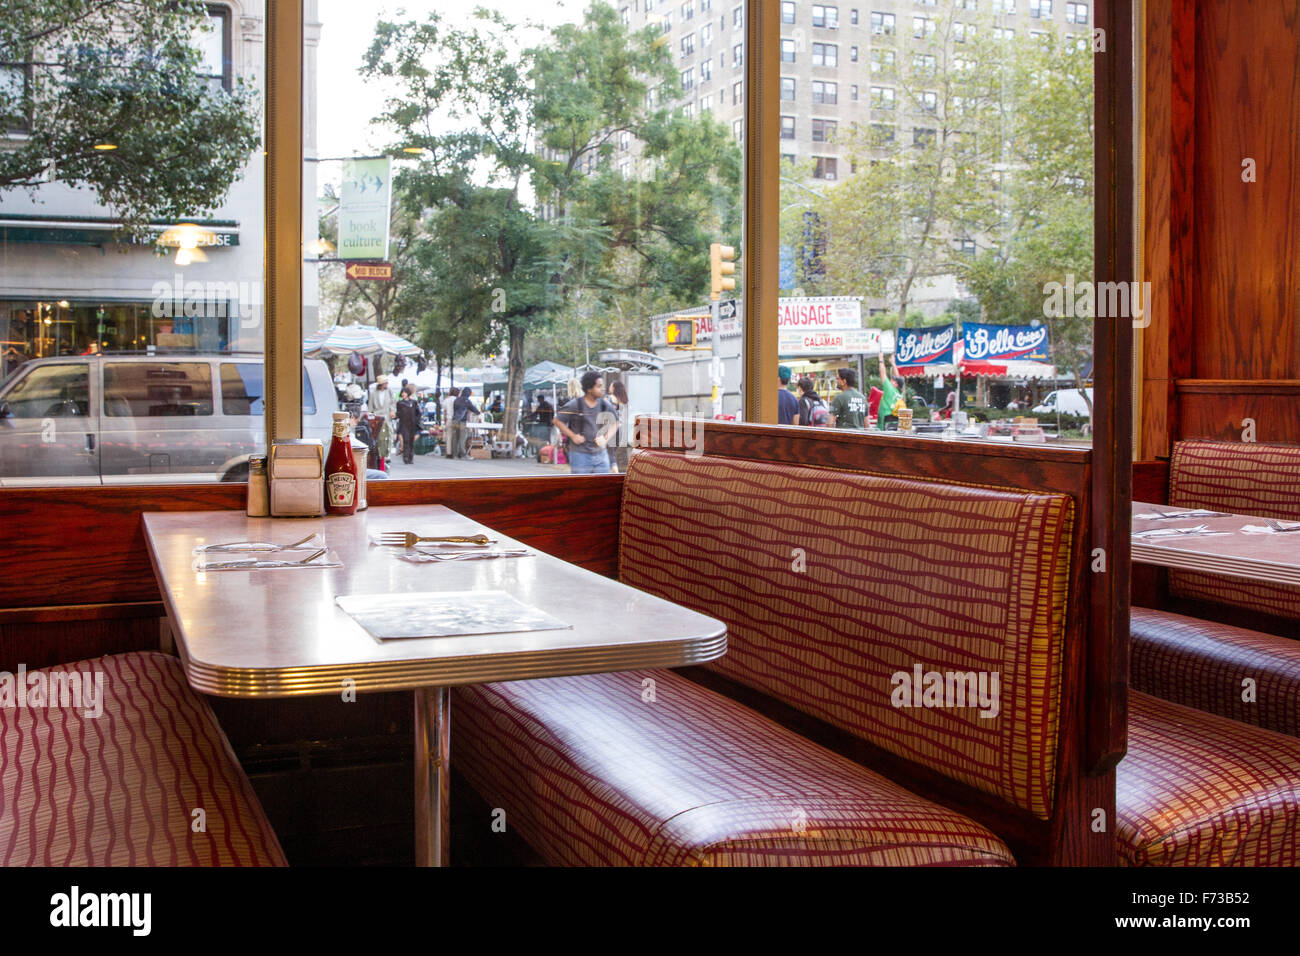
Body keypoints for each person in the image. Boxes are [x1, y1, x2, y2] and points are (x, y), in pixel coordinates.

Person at [554, 371, 619, 475]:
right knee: (582, 488)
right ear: (589, 389)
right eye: (599, 386)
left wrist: (605, 438)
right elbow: (557, 420)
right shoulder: (575, 404)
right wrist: (573, 436)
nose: (603, 389)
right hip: (580, 455)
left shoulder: (604, 404)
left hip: (600, 454)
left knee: (603, 486)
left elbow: (616, 422)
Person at [395, 385, 422, 465]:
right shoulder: (400, 403)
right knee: (406, 440)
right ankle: (406, 457)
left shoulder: (413, 402)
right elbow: (398, 413)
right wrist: (395, 416)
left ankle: (411, 457)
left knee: (411, 441)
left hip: (412, 423)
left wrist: (416, 420)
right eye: (402, 392)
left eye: (405, 392)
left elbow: (418, 412)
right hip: (404, 423)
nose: (403, 394)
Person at [608, 379, 631, 473]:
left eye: (610, 385)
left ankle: (613, 472)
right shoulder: (624, 400)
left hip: (613, 428)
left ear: (614, 388)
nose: (609, 387)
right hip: (622, 430)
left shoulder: (611, 398)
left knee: (611, 453)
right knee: (619, 454)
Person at [452, 386, 479, 459]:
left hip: (454, 420)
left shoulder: (456, 400)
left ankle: (455, 454)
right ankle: (463, 454)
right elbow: (474, 409)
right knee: (462, 438)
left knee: (455, 438)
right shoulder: (467, 401)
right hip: (462, 422)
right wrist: (479, 413)